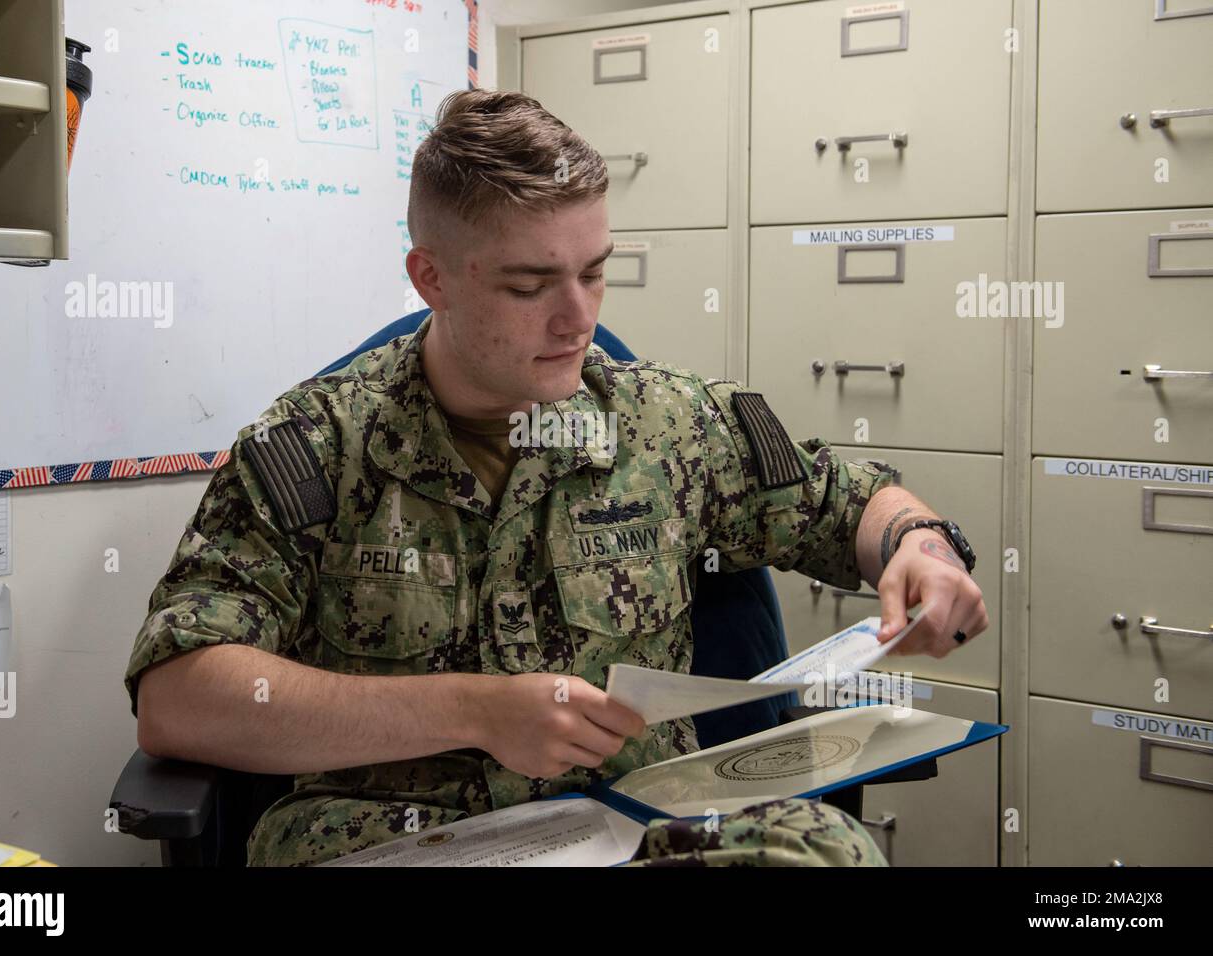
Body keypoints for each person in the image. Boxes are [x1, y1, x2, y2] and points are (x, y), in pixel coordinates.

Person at [124, 89, 988, 867]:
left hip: (643, 825)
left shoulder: (668, 423)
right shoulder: (313, 449)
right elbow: (180, 695)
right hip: (395, 835)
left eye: (594, 271)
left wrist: (918, 546)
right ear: (431, 278)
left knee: (827, 852)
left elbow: (844, 500)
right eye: (531, 284)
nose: (578, 318)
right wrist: (475, 711)